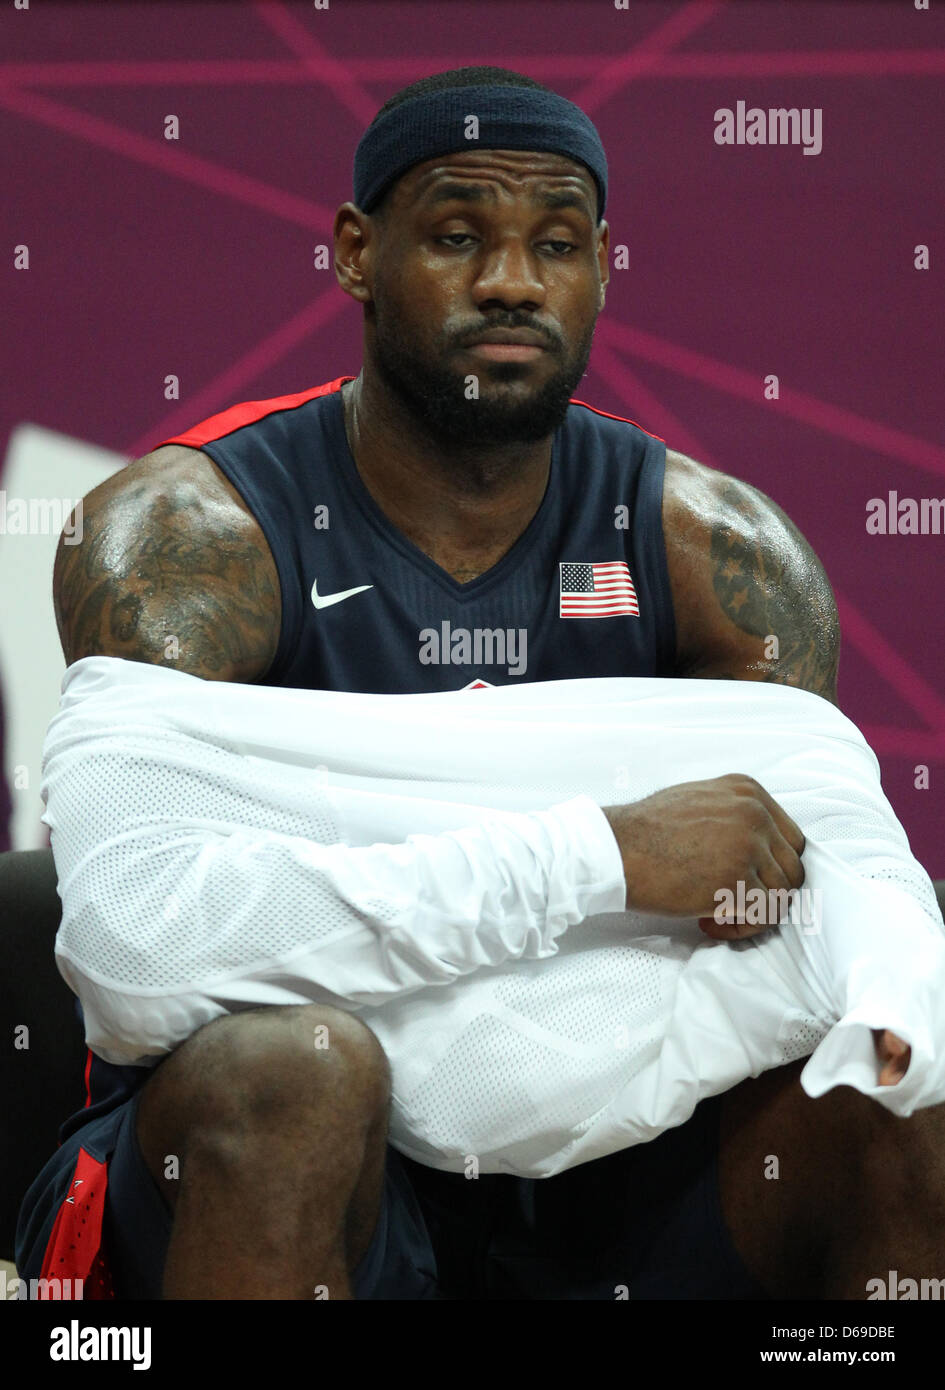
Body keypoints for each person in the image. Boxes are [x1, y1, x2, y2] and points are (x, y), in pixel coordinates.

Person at [15, 66, 940, 1301]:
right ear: (357, 253)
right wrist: (601, 857)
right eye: (458, 236)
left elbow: (815, 913)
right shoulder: (189, 543)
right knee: (295, 1068)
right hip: (256, 1158)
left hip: (607, 1178)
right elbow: (150, 947)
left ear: (602, 266)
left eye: (555, 244)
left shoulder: (725, 563)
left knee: (903, 1080)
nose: (511, 281)